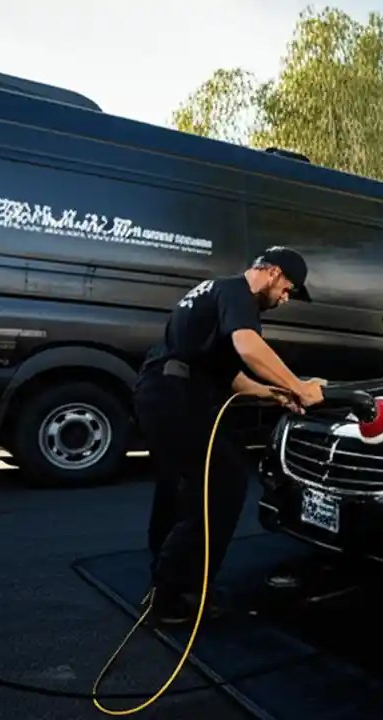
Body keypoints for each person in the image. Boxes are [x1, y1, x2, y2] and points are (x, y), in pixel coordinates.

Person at [133, 245, 326, 625]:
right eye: (288, 289)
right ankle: (175, 594)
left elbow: (230, 373)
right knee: (223, 485)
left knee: (180, 487)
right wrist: (300, 387)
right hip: (176, 395)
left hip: (162, 391)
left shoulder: (216, 292)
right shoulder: (239, 294)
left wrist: (274, 392)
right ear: (271, 273)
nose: (285, 299)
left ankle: (167, 586)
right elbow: (248, 346)